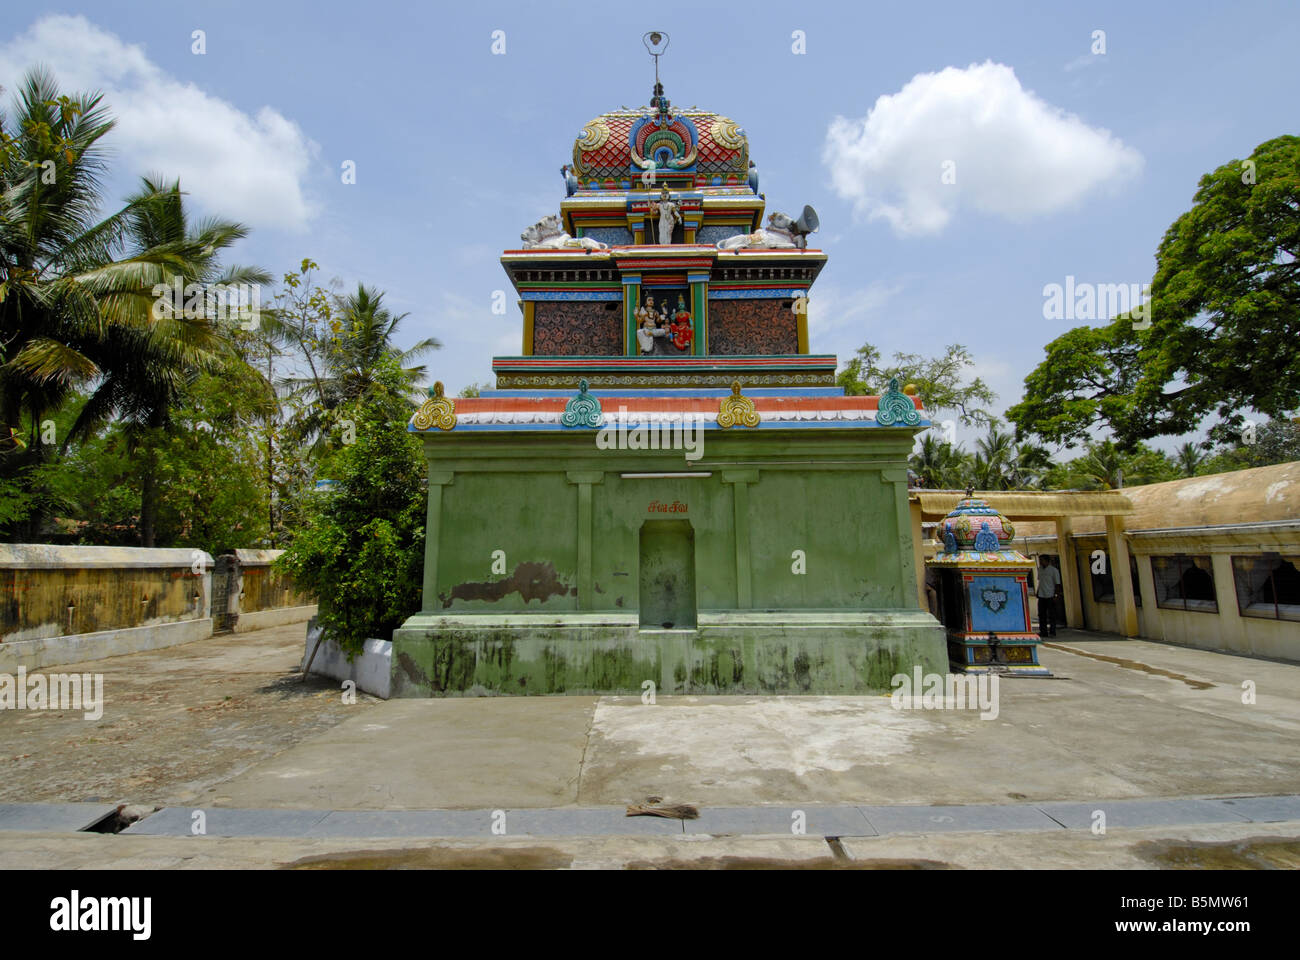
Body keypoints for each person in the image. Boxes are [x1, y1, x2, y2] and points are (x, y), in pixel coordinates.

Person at [1035, 555, 1061, 637]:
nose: (1041, 562)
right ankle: (1043, 631)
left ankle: (1052, 631)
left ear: (1047, 561)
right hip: (1041, 595)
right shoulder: (1040, 570)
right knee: (1041, 614)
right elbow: (1040, 581)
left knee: (1051, 615)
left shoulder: (1053, 570)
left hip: (1050, 595)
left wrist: (1056, 595)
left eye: (1042, 560)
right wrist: (1038, 591)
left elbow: (1057, 583)